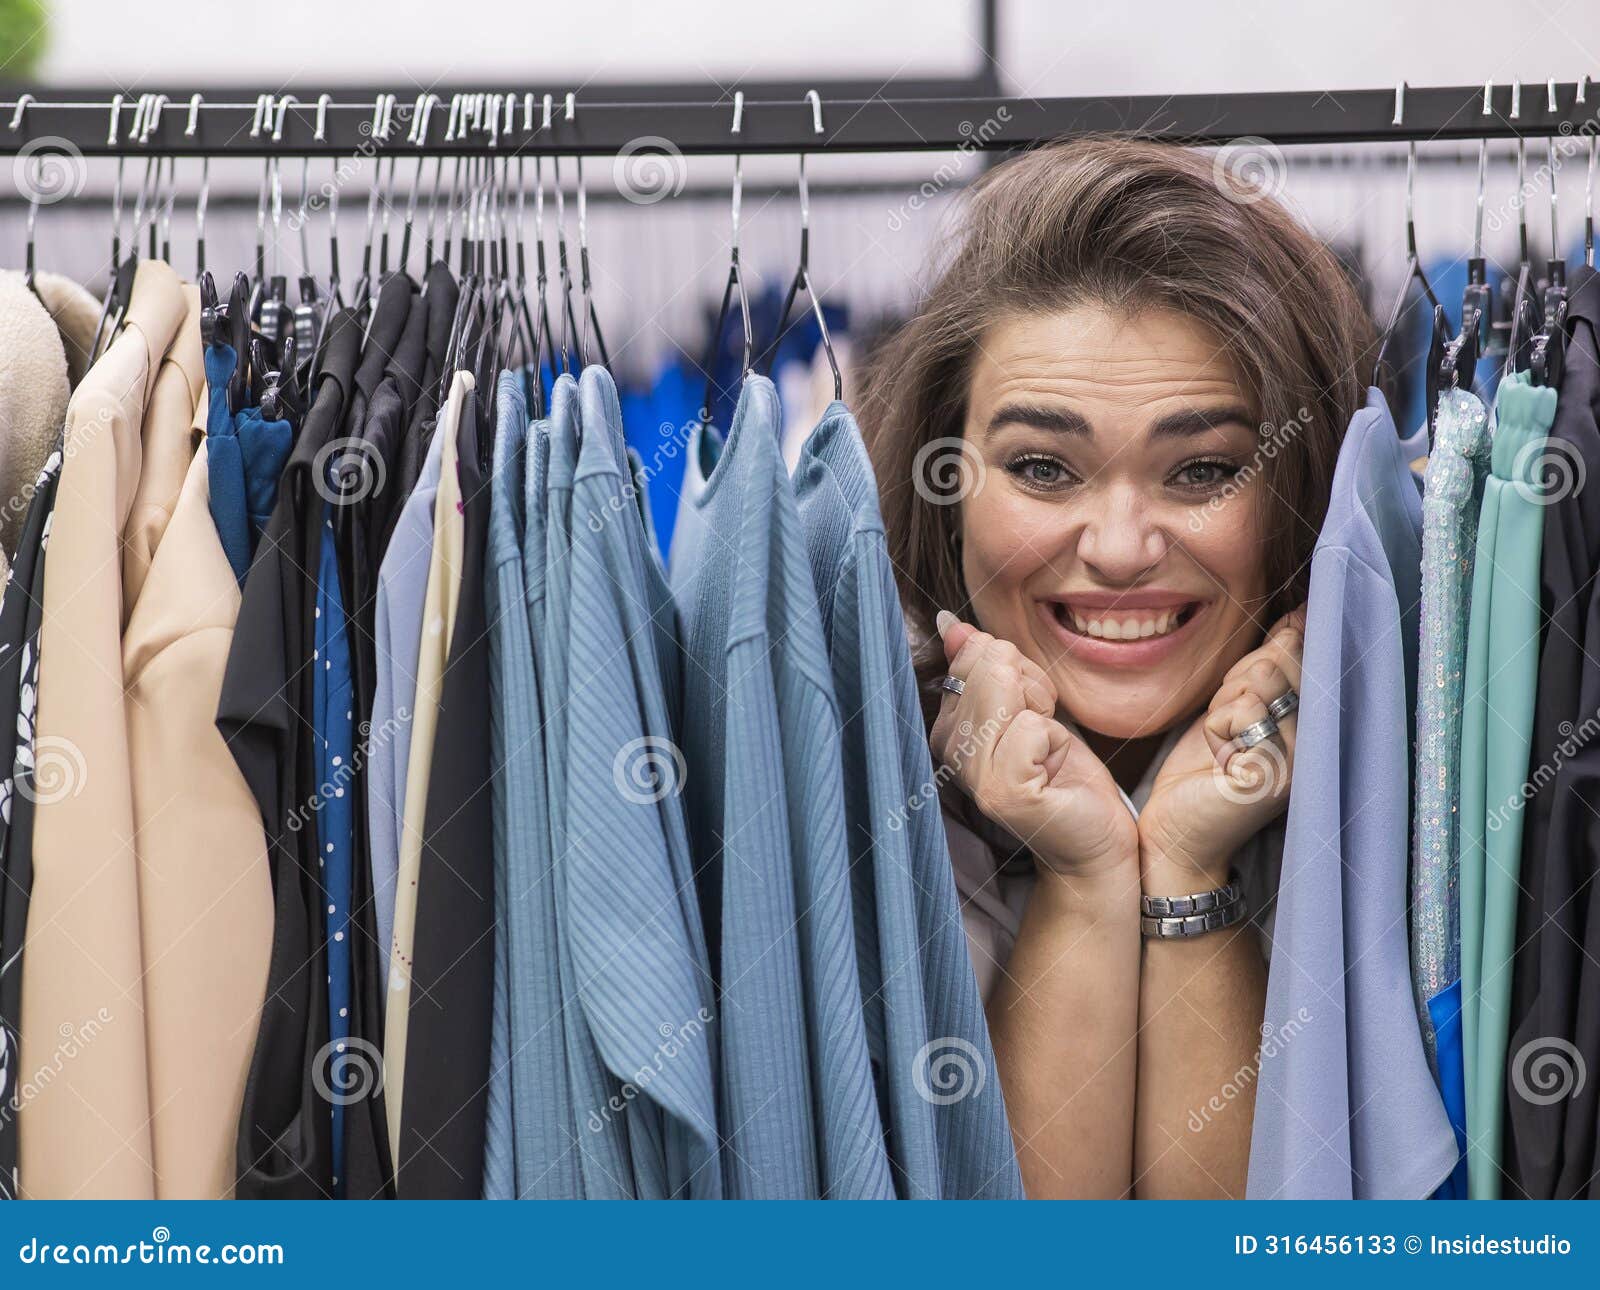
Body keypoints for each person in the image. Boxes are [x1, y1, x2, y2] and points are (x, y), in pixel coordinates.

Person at [860, 137, 1375, 1199]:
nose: (1120, 546)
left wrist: (1183, 860)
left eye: (1202, 469)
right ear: (946, 480)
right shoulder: (840, 799)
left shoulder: (1417, 790)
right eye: (1043, 467)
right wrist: (1087, 874)